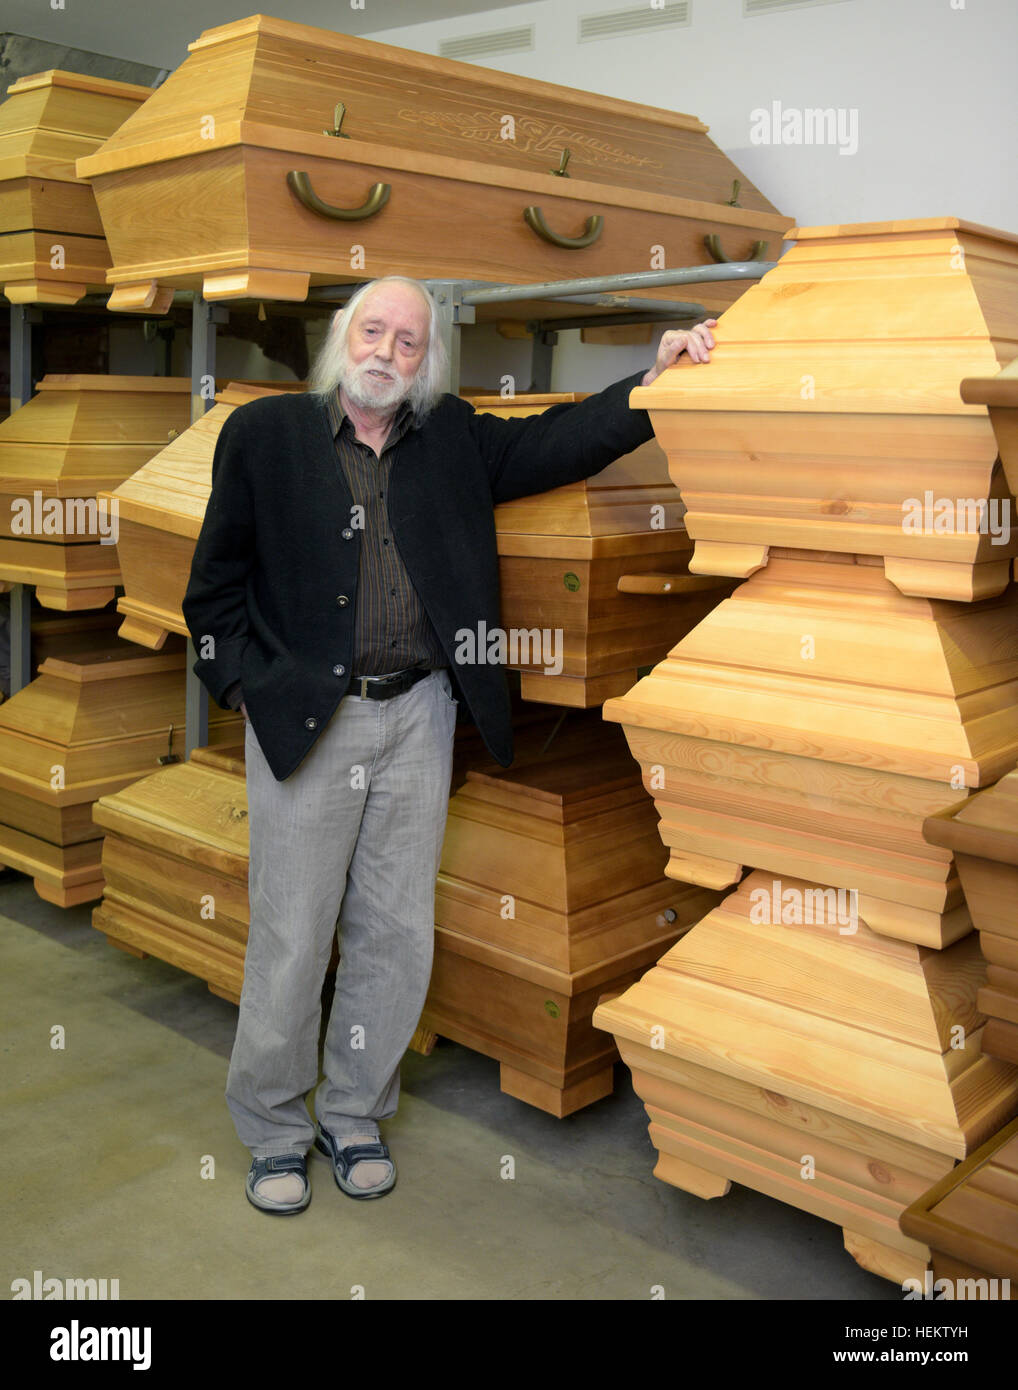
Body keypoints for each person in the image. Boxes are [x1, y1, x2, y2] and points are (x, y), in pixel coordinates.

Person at [182, 275, 717, 1215]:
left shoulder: (454, 438)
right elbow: (212, 591)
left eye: (410, 342)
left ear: (428, 362)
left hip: (420, 716)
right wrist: (243, 690)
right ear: (342, 339)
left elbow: (560, 441)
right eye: (374, 332)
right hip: (309, 722)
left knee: (393, 933)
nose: (388, 352)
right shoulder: (264, 438)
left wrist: (652, 377)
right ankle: (271, 1127)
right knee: (294, 936)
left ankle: (352, 1114)